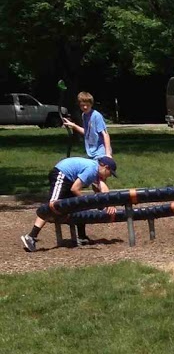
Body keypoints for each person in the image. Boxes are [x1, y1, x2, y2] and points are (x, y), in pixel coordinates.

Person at [21, 91, 116, 251]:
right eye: (82, 104)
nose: (84, 106)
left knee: (96, 187)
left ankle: (99, 213)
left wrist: (107, 153)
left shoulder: (96, 116)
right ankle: (31, 236)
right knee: (58, 203)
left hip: (100, 155)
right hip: (76, 166)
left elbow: (105, 134)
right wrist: (73, 126)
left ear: (91, 104)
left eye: (87, 103)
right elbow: (88, 134)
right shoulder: (86, 116)